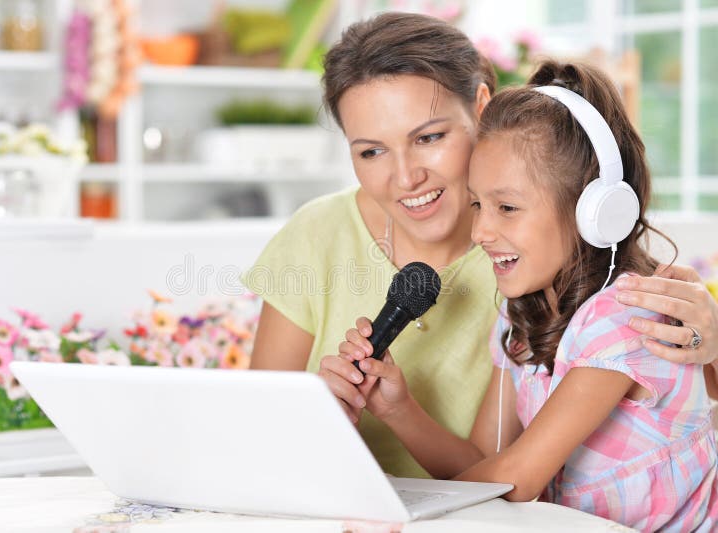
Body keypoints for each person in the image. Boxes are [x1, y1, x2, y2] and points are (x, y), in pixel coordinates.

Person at [242, 12, 718, 479]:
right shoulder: (318, 232)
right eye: (371, 151)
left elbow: (515, 473)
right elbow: (255, 432)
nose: (406, 177)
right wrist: (315, 425)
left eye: (428, 137)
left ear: (482, 107)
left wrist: (713, 347)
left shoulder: (545, 263)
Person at [338, 60, 717, 531]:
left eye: (507, 207)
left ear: (592, 211)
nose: (480, 231)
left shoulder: (627, 316)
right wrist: (399, 409)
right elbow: (484, 464)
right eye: (478, 204)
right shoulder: (522, 317)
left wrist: (402, 516)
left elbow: (519, 479)